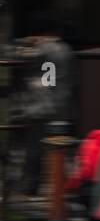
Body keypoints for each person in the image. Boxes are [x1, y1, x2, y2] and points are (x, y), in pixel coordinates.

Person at [15, 12, 75, 198]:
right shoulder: (65, 49)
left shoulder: (42, 49)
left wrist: (26, 43)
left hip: (41, 106)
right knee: (60, 150)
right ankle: (68, 186)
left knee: (33, 149)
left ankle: (29, 187)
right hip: (61, 104)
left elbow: (19, 55)